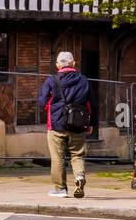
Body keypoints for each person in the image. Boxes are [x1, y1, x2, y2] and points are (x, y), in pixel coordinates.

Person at [38, 51, 94, 198]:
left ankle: (60, 188)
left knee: (58, 157)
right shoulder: (84, 80)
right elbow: (91, 104)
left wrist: (53, 103)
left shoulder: (51, 80)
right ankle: (79, 176)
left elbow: (42, 103)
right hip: (78, 123)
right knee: (77, 154)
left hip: (57, 124)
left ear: (58, 65)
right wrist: (91, 123)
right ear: (73, 64)